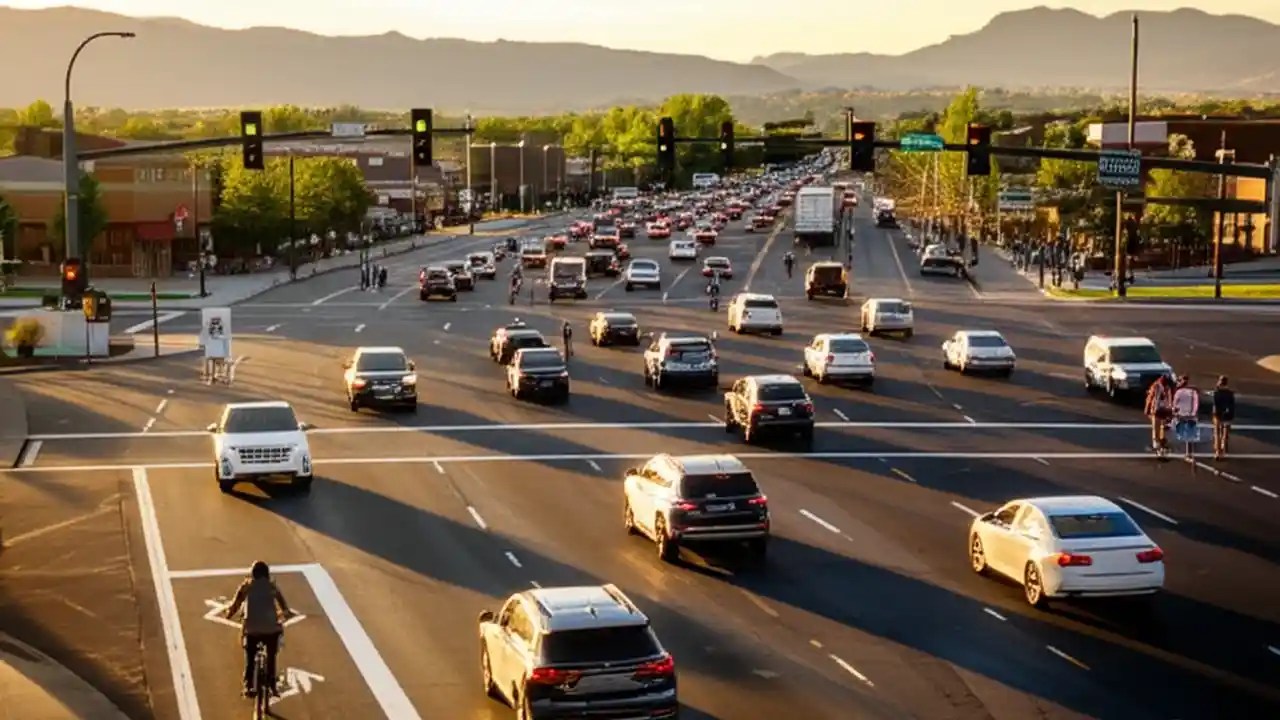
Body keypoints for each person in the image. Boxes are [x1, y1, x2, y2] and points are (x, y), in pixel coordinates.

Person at [222, 561, 295, 697]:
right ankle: (272, 684)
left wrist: (228, 615)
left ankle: (248, 685)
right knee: (272, 655)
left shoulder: (246, 587)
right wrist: (285, 614)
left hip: (252, 630)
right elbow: (284, 608)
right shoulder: (272, 587)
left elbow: (235, 606)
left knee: (250, 655)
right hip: (271, 630)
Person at [1171, 375, 1200, 460]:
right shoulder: (1193, 391)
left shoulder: (1179, 392)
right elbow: (1196, 403)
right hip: (1191, 415)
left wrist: (1174, 412)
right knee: (1190, 434)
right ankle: (1190, 452)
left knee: (1185, 433)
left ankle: (1188, 453)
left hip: (1182, 414)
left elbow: (1175, 404)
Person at [1143, 375, 1173, 459]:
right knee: (1163, 428)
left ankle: (1157, 444)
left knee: (1156, 428)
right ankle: (1161, 443)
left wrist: (1147, 410)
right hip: (1164, 410)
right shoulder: (1168, 387)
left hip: (1158, 410)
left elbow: (1150, 398)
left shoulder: (1156, 386)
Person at [1211, 376, 1235, 461]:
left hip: (1218, 414)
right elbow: (1232, 405)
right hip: (1228, 415)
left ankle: (1218, 452)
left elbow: (1215, 404)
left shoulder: (1217, 392)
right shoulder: (1230, 393)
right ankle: (1223, 450)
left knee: (1217, 433)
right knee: (1225, 434)